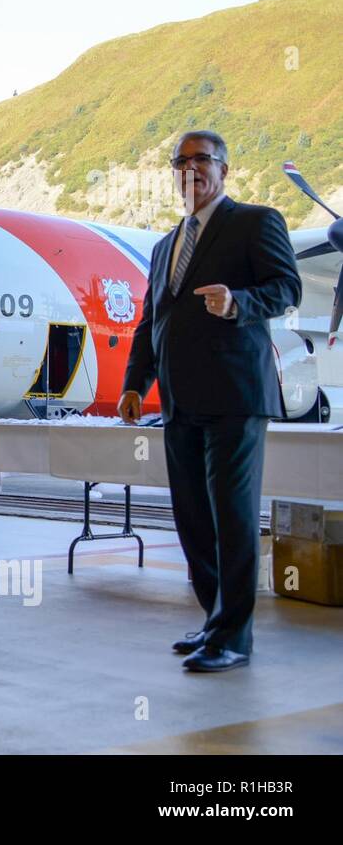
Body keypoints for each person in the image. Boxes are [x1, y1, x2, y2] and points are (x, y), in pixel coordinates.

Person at [119, 130, 301, 673]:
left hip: (235, 396)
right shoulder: (163, 246)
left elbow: (286, 288)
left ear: (224, 167)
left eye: (201, 160)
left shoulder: (255, 221)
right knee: (193, 518)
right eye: (181, 161)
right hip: (179, 401)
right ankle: (214, 619)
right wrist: (135, 383)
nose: (190, 169)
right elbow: (152, 320)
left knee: (232, 518)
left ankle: (235, 637)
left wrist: (238, 302)